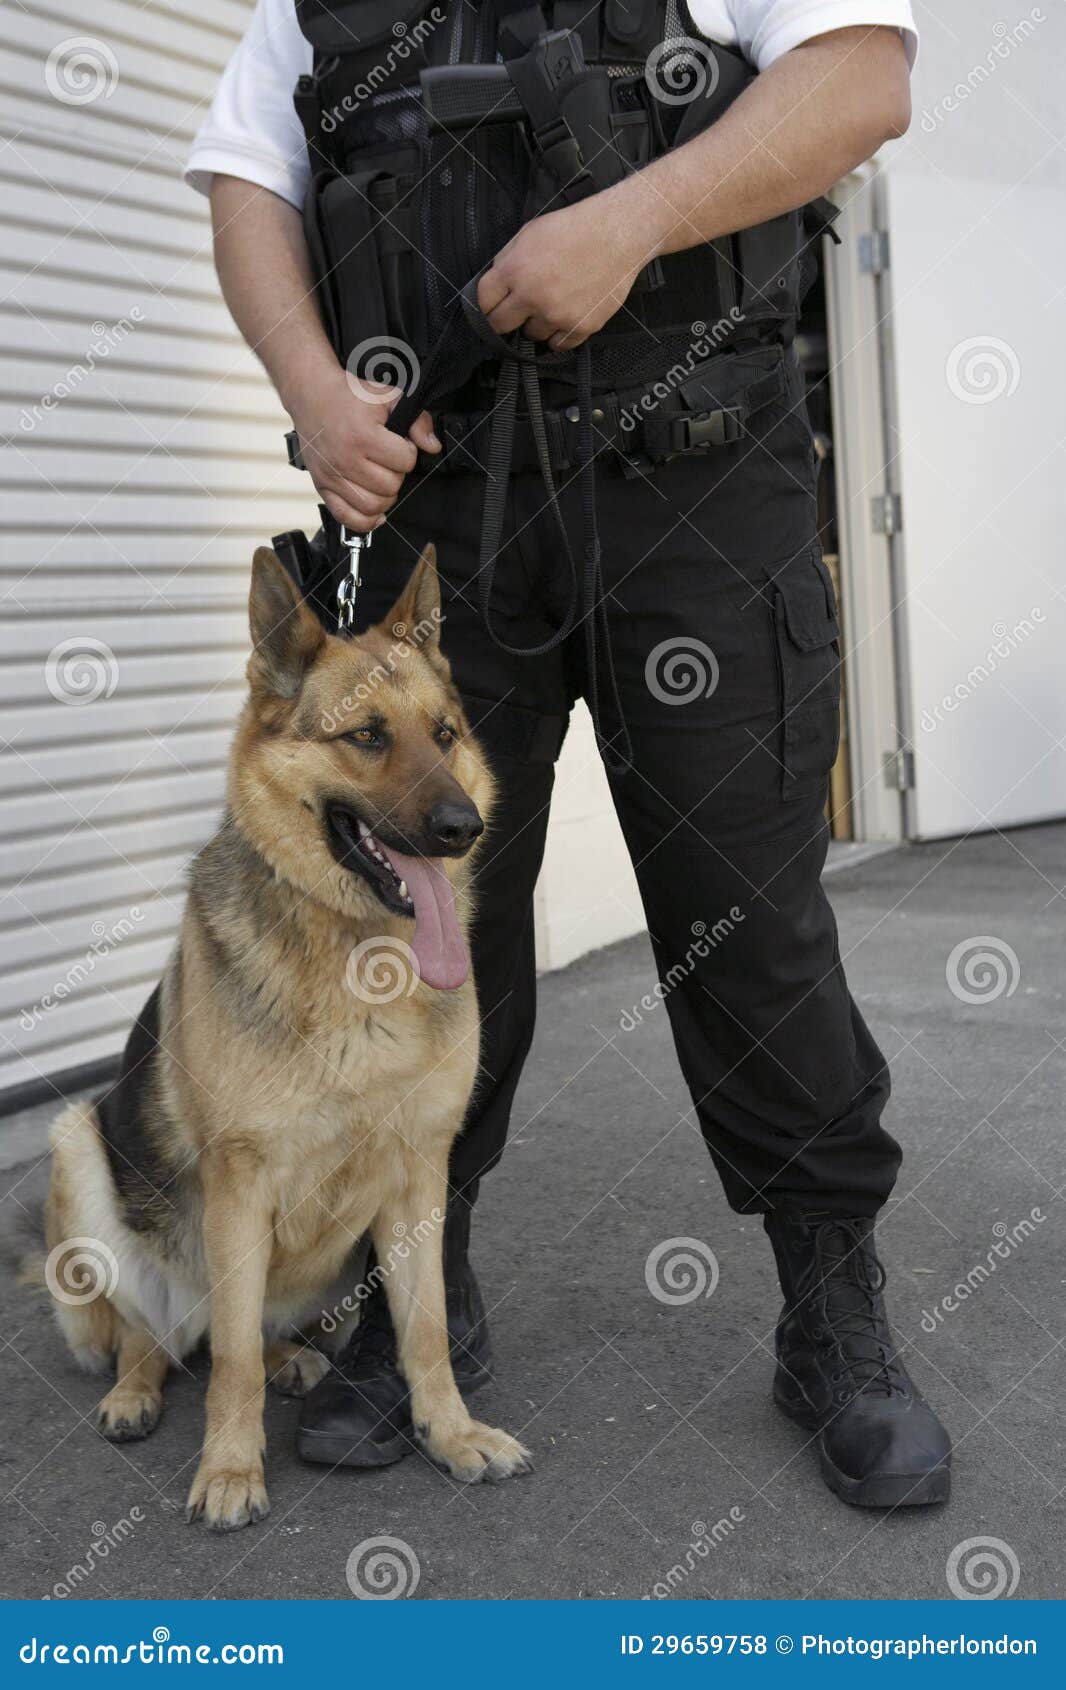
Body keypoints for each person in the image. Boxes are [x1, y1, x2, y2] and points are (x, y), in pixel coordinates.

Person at [186, 0, 952, 1509]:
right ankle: (417, 1293)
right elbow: (243, 179)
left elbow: (862, 80)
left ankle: (832, 1314)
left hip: (700, 493)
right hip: (442, 517)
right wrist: (310, 394)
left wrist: (632, 220)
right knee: (411, 932)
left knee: (752, 919)